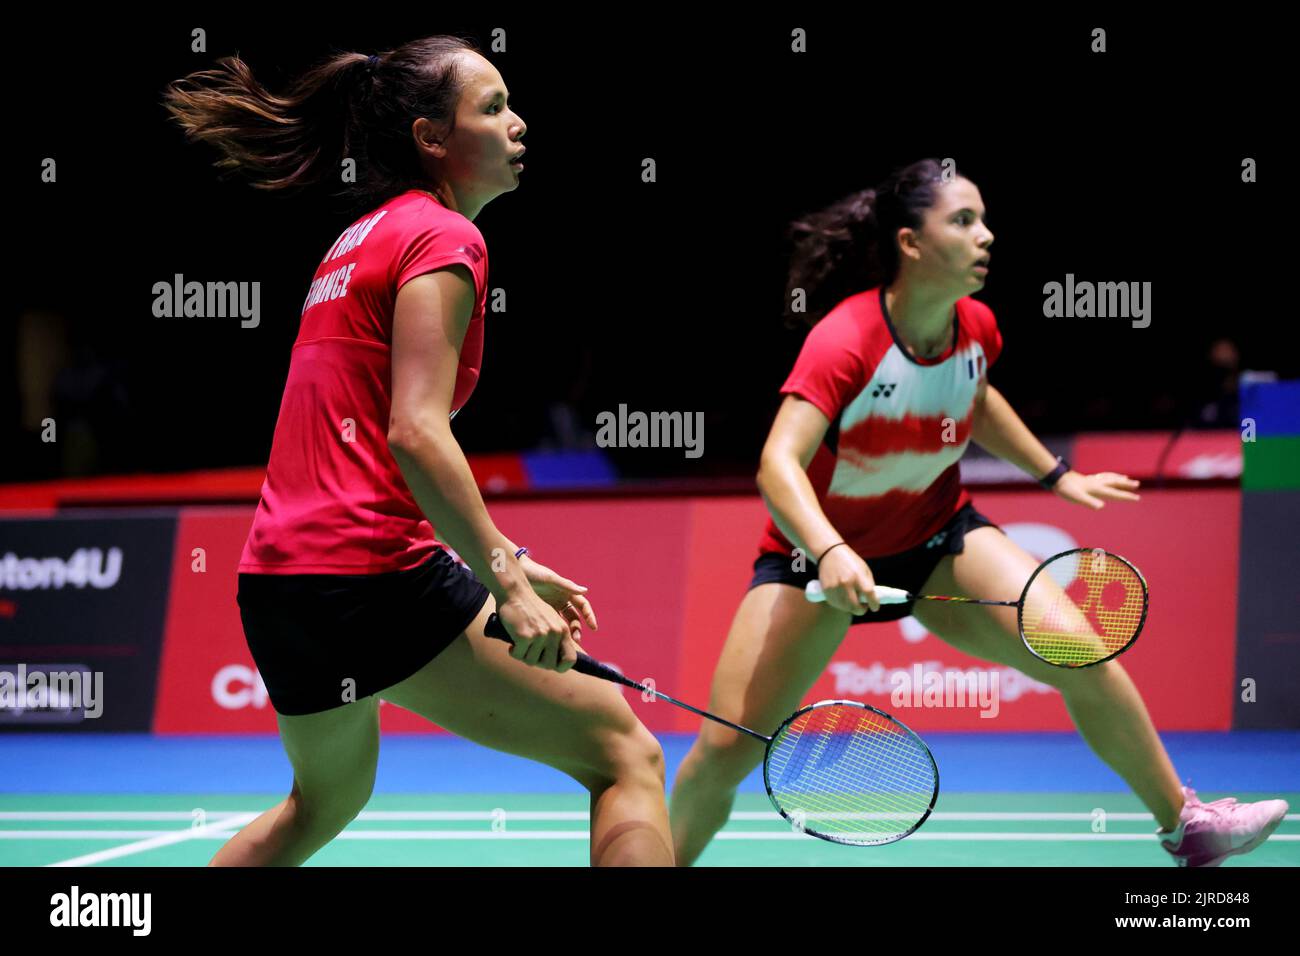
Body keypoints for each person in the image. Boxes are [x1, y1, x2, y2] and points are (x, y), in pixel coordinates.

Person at [667, 158, 1289, 867]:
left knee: (1078, 650)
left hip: (936, 538)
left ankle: (1185, 823)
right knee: (723, 750)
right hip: (814, 561)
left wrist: (1054, 473)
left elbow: (975, 397)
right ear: (910, 243)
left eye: (984, 219)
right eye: (963, 221)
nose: (985, 235)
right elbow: (777, 462)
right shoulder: (845, 341)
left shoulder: (976, 326)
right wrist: (832, 549)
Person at [164, 35, 674, 866]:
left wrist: (506, 555)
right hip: (368, 576)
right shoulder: (443, 238)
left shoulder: (356, 239)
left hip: (280, 581)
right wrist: (506, 586)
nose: (519, 124)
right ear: (432, 139)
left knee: (321, 804)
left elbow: (360, 445)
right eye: (493, 107)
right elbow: (415, 430)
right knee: (628, 757)